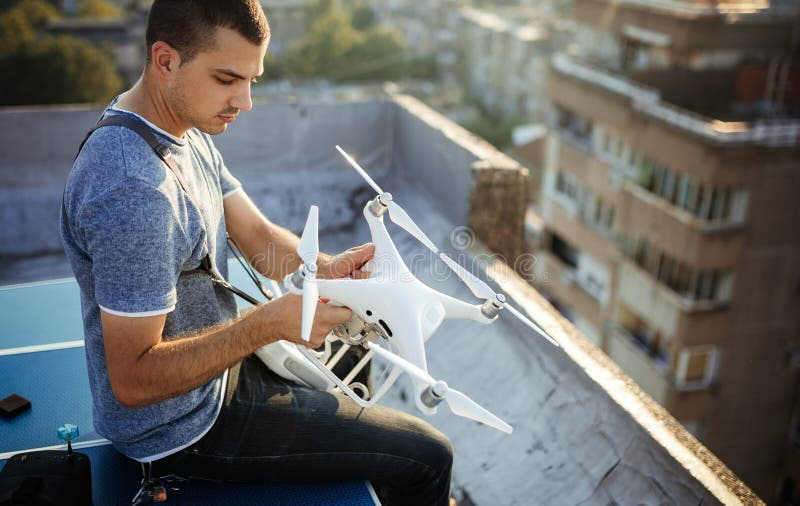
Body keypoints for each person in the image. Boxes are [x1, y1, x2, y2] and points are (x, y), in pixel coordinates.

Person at [59, 1, 454, 504]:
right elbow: (133, 381)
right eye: (227, 79)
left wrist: (326, 268)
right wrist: (266, 324)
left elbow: (259, 236)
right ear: (165, 61)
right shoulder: (132, 188)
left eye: (252, 80)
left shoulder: (179, 127)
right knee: (430, 456)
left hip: (217, 375)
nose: (243, 101)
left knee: (354, 345)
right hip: (181, 430)